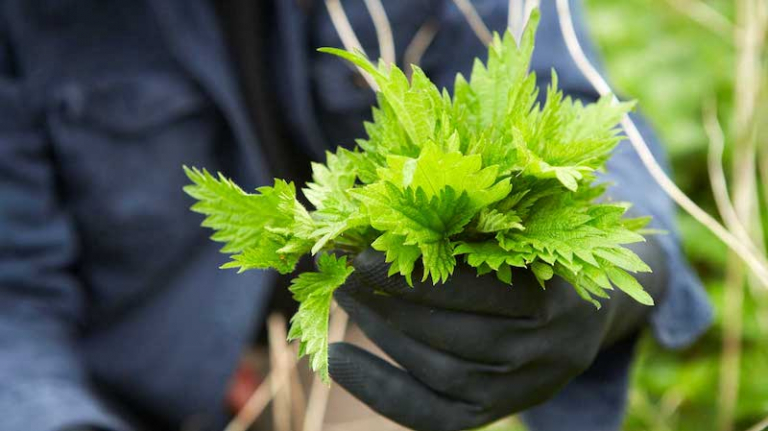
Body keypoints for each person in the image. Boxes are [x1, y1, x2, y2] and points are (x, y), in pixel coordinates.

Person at [0, 0, 712, 430]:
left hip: (362, 349)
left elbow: (572, 103)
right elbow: (11, 300)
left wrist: (605, 279)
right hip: (115, 388)